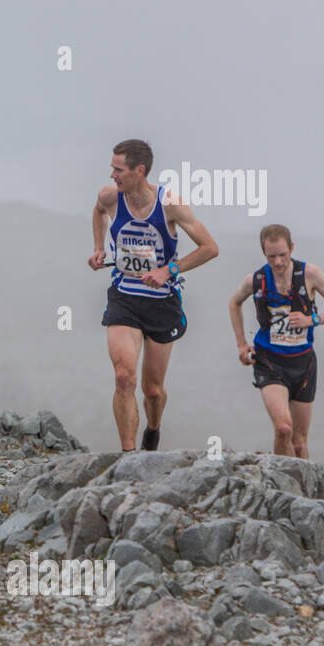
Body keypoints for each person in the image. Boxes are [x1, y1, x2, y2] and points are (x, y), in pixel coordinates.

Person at [89, 139, 219, 450]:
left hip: (162, 303)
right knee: (124, 378)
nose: (112, 176)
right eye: (112, 168)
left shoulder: (169, 205)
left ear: (139, 171)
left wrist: (168, 271)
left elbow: (210, 248)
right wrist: (98, 248)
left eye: (118, 170)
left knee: (153, 390)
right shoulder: (109, 197)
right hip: (124, 298)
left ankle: (154, 427)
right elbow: (98, 213)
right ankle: (129, 456)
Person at [228, 224, 324, 458]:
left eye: (283, 255)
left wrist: (311, 319)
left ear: (292, 248)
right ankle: (279, 486)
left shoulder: (309, 274)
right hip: (270, 361)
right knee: (283, 428)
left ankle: (303, 493)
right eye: (272, 256)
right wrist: (241, 344)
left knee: (300, 443)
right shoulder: (255, 280)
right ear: (264, 252)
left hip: (303, 363)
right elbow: (234, 302)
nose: (278, 262)